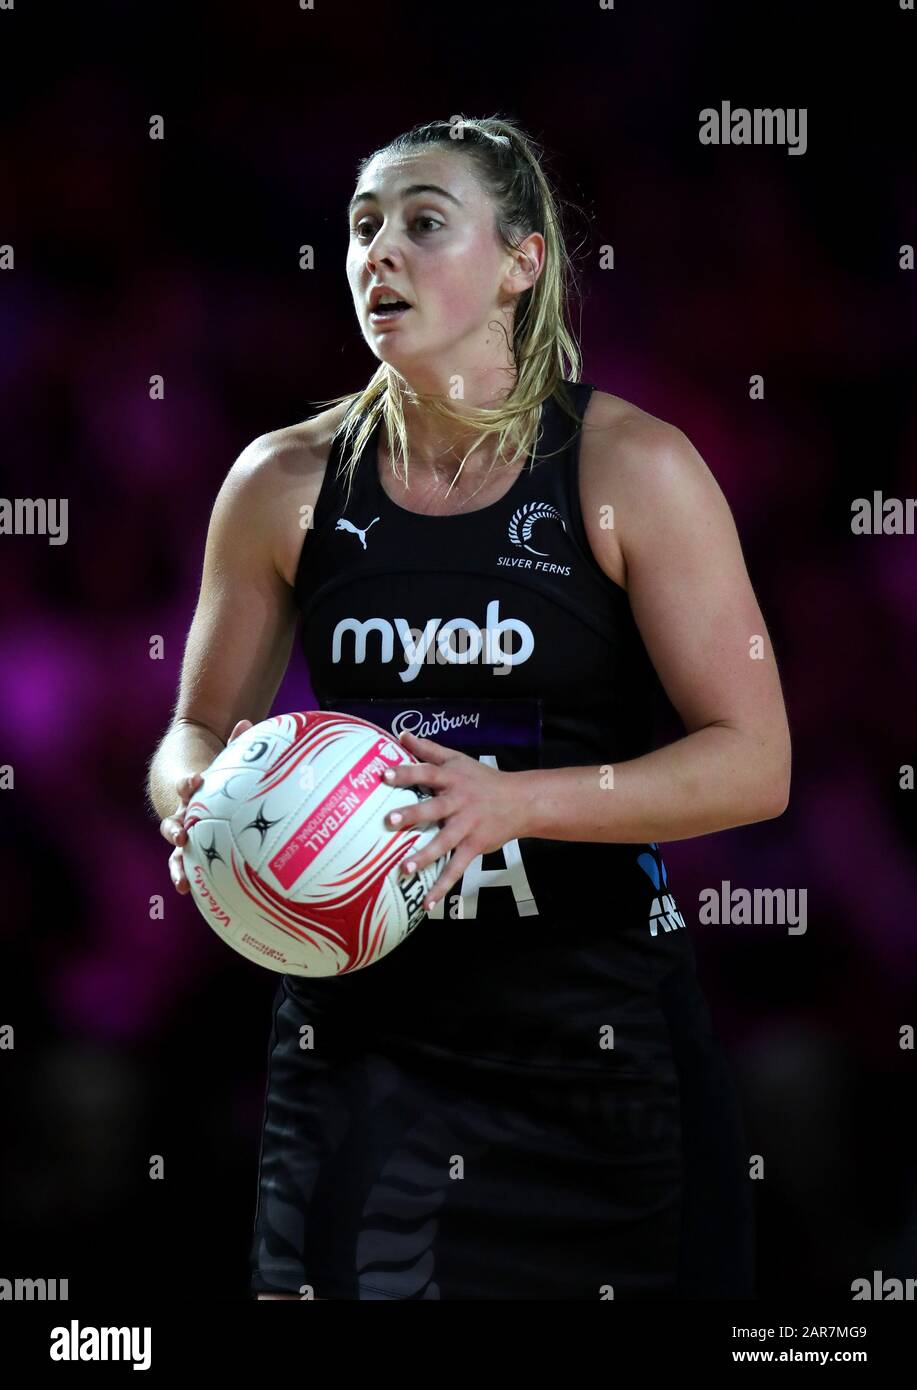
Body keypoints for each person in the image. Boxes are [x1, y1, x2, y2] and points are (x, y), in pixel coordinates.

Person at [147, 114, 791, 1300]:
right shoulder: (282, 481)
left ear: (520, 261)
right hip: (361, 1046)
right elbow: (190, 731)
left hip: (593, 1039)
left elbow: (755, 761)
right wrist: (193, 799)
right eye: (360, 228)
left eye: (422, 223)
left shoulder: (629, 467)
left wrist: (510, 803)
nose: (377, 252)